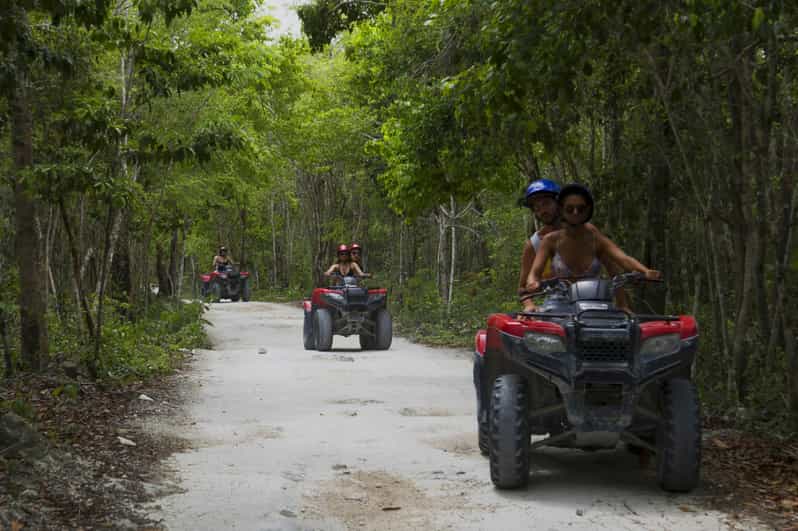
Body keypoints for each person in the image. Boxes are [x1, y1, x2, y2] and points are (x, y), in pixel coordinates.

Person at [524, 183, 660, 310]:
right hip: (558, 303)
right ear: (562, 209)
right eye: (570, 209)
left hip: (595, 301)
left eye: (581, 209)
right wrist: (533, 284)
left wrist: (645, 271)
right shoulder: (547, 241)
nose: (575, 213)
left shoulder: (595, 237)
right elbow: (532, 274)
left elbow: (622, 260)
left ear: (588, 210)